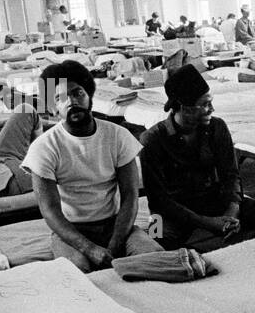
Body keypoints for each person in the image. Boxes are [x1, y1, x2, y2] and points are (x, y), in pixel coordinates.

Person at [22, 58, 162, 272]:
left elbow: (130, 196)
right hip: (71, 232)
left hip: (116, 225)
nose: (71, 102)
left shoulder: (118, 136)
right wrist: (90, 249)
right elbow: (50, 212)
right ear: (53, 109)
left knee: (155, 257)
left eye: (78, 93)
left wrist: (116, 243)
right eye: (60, 98)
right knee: (78, 271)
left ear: (89, 98)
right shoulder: (44, 147)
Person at [139, 64, 255, 251]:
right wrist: (209, 223)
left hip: (211, 199)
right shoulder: (152, 140)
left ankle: (253, 257)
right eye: (205, 104)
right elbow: (158, 200)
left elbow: (231, 176)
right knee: (155, 239)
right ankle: (199, 265)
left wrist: (231, 211)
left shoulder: (217, 127)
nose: (212, 109)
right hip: (169, 211)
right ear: (185, 108)